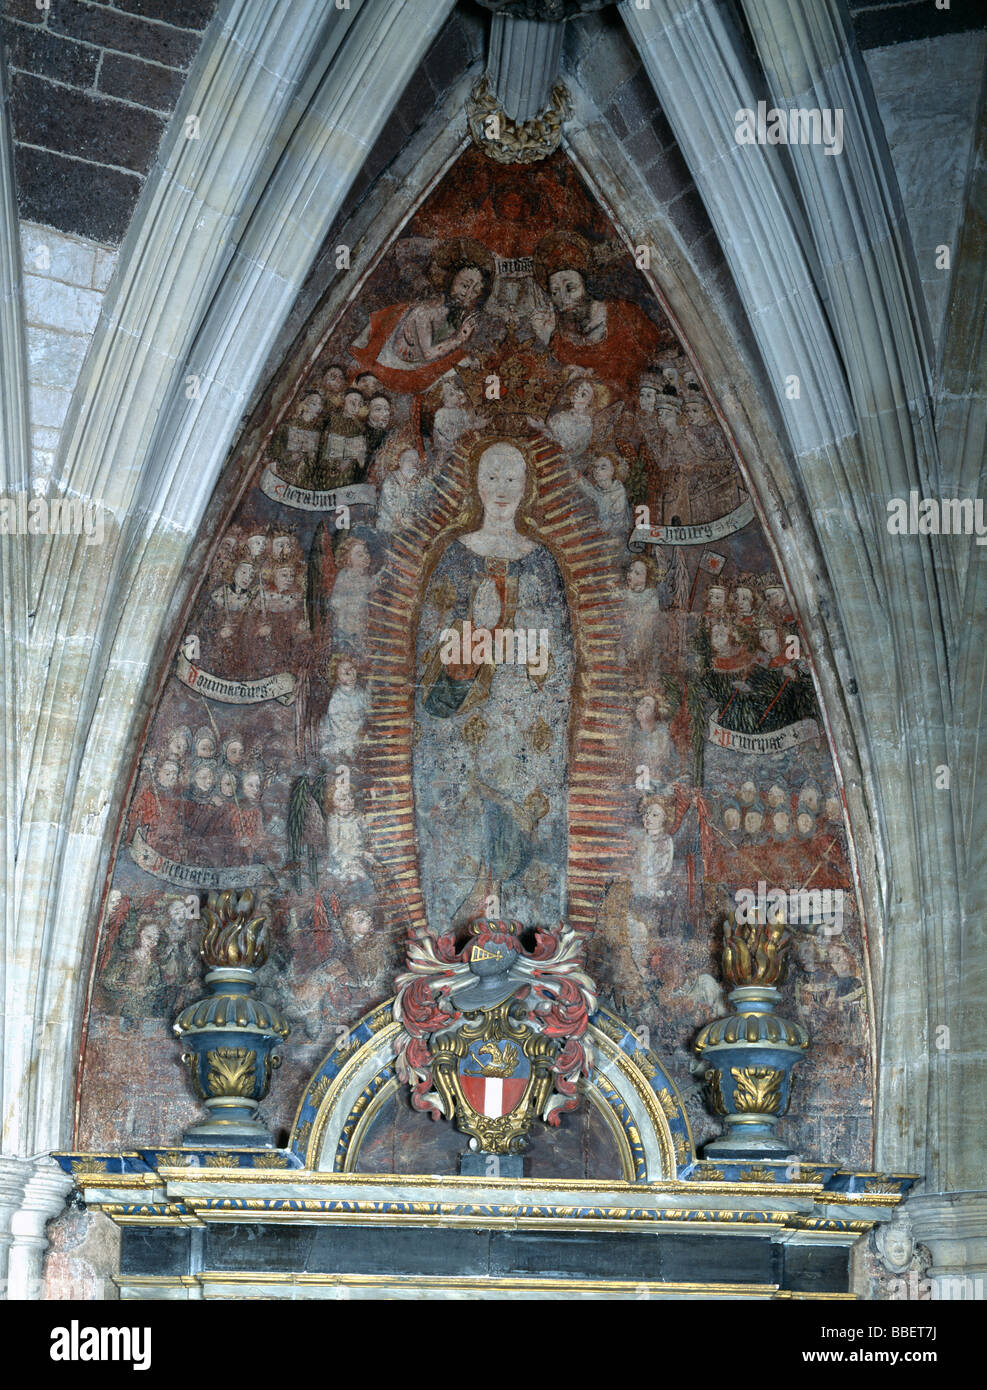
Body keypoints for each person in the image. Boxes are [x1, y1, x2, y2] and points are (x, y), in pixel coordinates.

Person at [414, 441, 573, 928]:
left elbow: (559, 659)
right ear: (475, 483)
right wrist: (476, 634)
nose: (501, 488)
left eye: (511, 478)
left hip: (526, 741)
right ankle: (456, 936)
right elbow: (431, 674)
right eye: (492, 476)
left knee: (520, 857)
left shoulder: (542, 564)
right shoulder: (454, 560)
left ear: (528, 487)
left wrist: (520, 660)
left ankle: (527, 937)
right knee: (463, 841)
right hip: (459, 745)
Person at [349, 239, 494, 395]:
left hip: (414, 375)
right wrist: (459, 339)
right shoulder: (427, 310)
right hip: (388, 368)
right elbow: (428, 353)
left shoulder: (459, 316)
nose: (467, 294)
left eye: (475, 291)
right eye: (465, 285)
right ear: (450, 279)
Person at [318, 655, 369, 763]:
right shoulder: (336, 700)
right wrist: (360, 731)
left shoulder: (361, 692)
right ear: (337, 678)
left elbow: (368, 712)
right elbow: (340, 729)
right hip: (345, 739)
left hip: (362, 735)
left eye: (352, 669)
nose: (351, 674)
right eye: (345, 673)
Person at [329, 536, 374, 651]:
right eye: (360, 554)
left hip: (361, 629)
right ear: (348, 559)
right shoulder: (345, 575)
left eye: (366, 553)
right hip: (347, 630)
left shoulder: (366, 577)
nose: (365, 556)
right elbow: (335, 602)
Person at [579, 454, 631, 538]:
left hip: (615, 537)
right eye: (595, 467)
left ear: (612, 470)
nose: (597, 471)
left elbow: (617, 523)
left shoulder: (618, 492)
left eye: (603, 468)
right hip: (597, 533)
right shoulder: (596, 490)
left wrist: (596, 527)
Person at [376, 447, 425, 534]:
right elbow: (389, 504)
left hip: (409, 525)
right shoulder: (391, 480)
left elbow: (420, 503)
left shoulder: (418, 482)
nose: (413, 464)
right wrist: (400, 519)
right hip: (388, 525)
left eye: (416, 461)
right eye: (409, 460)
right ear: (400, 462)